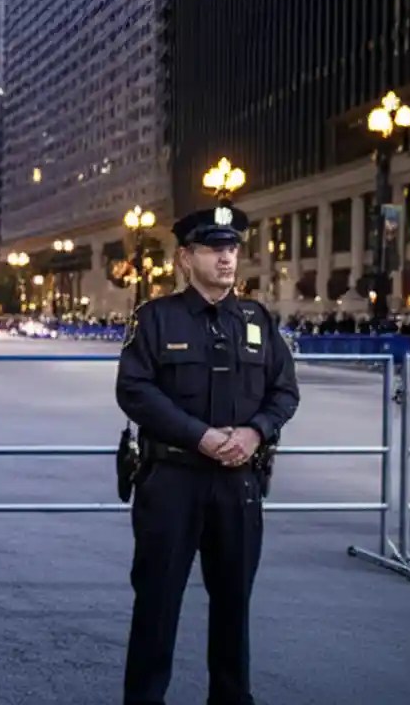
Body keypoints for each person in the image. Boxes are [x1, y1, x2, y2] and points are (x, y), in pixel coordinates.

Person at [115, 204, 300, 705]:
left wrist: (256, 433)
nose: (226, 258)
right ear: (184, 258)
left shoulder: (256, 318)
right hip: (172, 481)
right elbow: (134, 391)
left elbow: (285, 391)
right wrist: (199, 436)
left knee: (234, 604)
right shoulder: (155, 318)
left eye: (233, 248)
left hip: (238, 482)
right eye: (214, 248)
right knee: (157, 603)